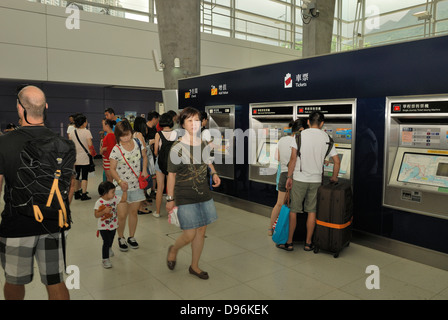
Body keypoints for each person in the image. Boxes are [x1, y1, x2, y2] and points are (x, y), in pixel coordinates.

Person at [0, 85, 73, 300]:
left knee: (14, 280)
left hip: (16, 224)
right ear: (46, 107)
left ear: (20, 108)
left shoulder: (4, 143)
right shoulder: (64, 144)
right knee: (55, 280)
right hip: (53, 223)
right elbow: (69, 187)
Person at [165, 107, 221, 280]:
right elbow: (171, 175)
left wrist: (214, 173)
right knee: (189, 234)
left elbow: (207, 160)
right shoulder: (177, 148)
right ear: (182, 124)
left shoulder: (203, 143)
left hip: (203, 194)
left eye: (196, 120)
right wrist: (170, 198)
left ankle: (194, 266)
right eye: (189, 120)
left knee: (201, 231)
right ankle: (173, 250)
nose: (194, 123)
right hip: (184, 195)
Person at [284, 111, 340, 252]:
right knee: (312, 211)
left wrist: (289, 177)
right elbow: (336, 161)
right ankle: (308, 243)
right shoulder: (327, 138)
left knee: (294, 210)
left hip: (299, 178)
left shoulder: (299, 136)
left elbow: (293, 159)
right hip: (316, 180)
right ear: (322, 124)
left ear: (308, 122)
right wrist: (334, 177)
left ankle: (289, 242)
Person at [109, 120, 148, 252]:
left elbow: (144, 156)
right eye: (122, 135)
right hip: (121, 187)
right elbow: (112, 168)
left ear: (131, 132)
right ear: (118, 136)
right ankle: (121, 237)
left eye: (128, 134)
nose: (126, 138)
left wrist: (144, 169)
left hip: (136, 185)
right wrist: (119, 181)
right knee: (121, 215)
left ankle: (131, 237)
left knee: (133, 213)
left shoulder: (137, 143)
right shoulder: (116, 149)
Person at [269, 119, 306, 236]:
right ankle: (290, 232)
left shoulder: (281, 140)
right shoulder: (299, 141)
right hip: (296, 176)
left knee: (279, 203)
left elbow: (279, 158)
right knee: (294, 207)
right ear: (301, 130)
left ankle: (270, 229)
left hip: (284, 174)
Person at [94, 181, 128, 269]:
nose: (114, 193)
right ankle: (105, 259)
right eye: (112, 192)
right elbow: (96, 215)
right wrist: (103, 212)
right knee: (106, 241)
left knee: (111, 239)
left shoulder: (114, 198)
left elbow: (123, 199)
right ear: (105, 193)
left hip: (113, 224)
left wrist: (125, 191)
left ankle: (109, 248)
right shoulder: (99, 202)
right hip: (103, 226)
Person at [153, 112, 178, 218]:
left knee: (160, 187)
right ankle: (172, 213)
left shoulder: (158, 134)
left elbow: (155, 152)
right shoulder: (176, 134)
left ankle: (158, 212)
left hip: (160, 162)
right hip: (172, 162)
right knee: (171, 187)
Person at [70, 114, 95, 201]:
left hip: (76, 158)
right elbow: (90, 144)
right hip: (85, 158)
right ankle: (84, 194)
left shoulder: (73, 132)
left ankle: (76, 193)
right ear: (83, 123)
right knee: (84, 176)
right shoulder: (86, 132)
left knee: (77, 175)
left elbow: (71, 144)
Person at [133, 116, 154, 214]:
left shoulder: (133, 134)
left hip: (135, 161)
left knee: (140, 183)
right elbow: (144, 149)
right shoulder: (139, 134)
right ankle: (140, 207)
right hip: (141, 161)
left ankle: (141, 203)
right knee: (143, 182)